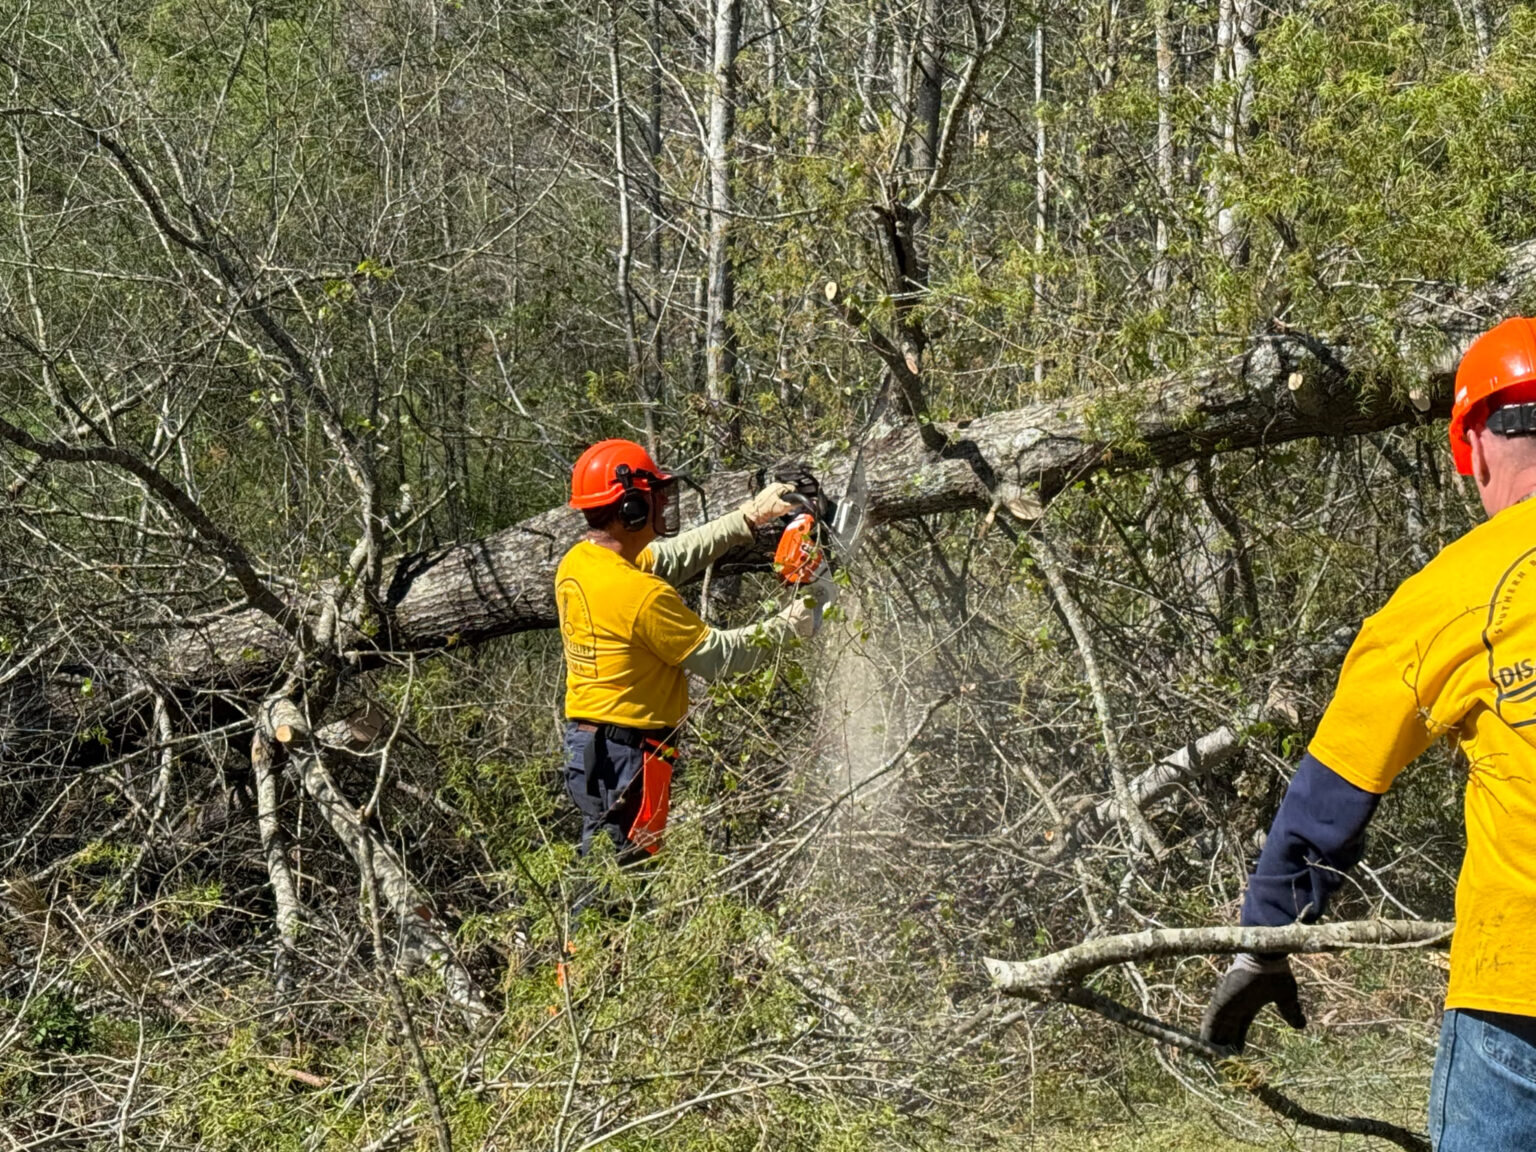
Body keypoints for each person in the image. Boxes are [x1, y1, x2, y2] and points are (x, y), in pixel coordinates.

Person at [1201, 317, 1536, 1150]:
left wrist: (1264, 945)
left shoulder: (1447, 597)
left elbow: (1330, 799)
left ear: (1473, 450)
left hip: (1521, 1003)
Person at [554, 438, 819, 860]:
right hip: (627, 758)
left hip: (598, 747)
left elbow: (672, 556)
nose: (662, 505)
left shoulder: (582, 562)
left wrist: (748, 518)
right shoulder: (637, 594)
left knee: (608, 874)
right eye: (652, 497)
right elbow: (718, 656)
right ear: (631, 510)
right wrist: (791, 626)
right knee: (620, 887)